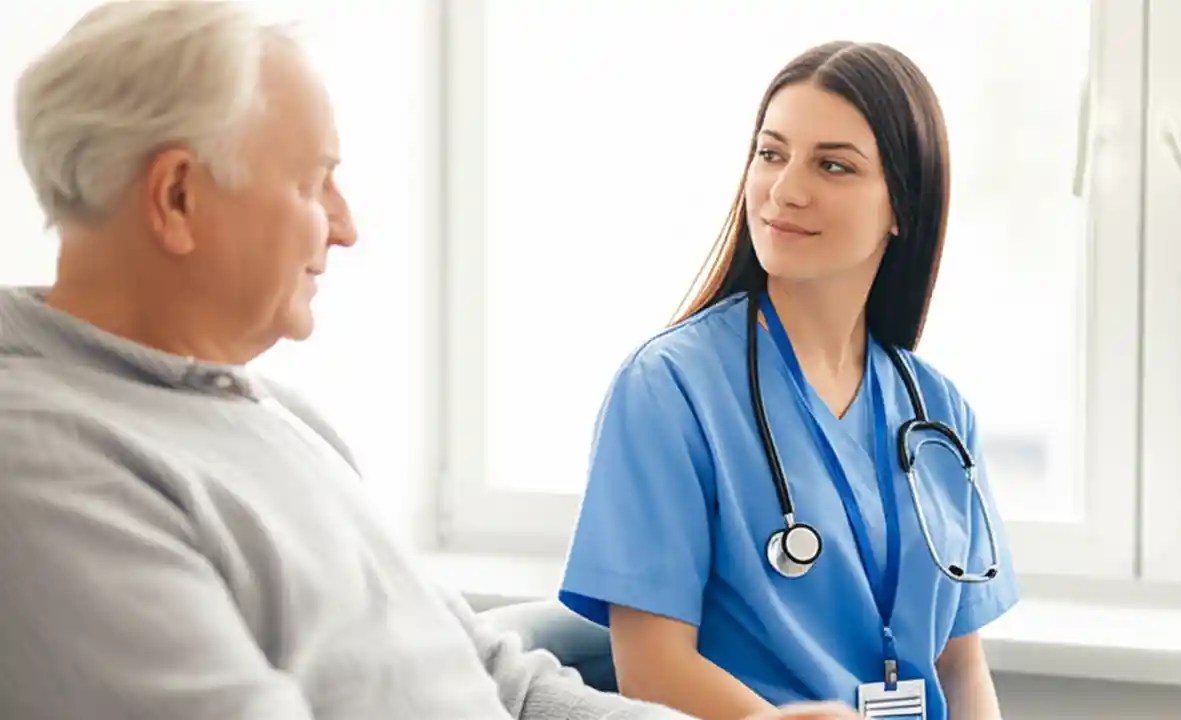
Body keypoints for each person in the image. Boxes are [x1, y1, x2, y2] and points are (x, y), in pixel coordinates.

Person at [0, 3, 863, 719]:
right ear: (178, 197)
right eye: (313, 183)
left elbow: (498, 679)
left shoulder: (276, 416)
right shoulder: (47, 468)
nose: (345, 226)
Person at [558, 41, 1020, 720]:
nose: (785, 191)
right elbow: (652, 670)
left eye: (833, 165)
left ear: (904, 205)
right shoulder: (668, 390)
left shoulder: (939, 411)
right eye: (771, 154)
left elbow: (960, 667)